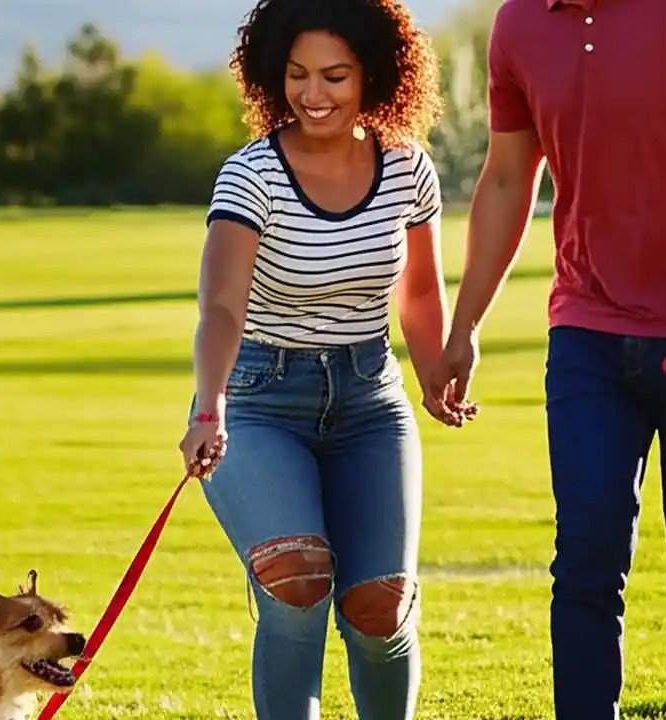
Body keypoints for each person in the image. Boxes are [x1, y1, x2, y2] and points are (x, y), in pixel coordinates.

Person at [427, 0, 666, 718]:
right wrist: (466, 324)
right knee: (585, 560)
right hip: (588, 328)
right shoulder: (518, 23)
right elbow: (510, 177)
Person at [176, 1, 469, 717]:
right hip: (256, 400)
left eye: (335, 75)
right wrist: (209, 404)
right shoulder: (252, 176)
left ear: (375, 73)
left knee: (379, 606)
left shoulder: (407, 168)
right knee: (297, 583)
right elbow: (220, 307)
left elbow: (422, 292)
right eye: (298, 74)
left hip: (370, 402)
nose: (314, 94)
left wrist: (436, 373)